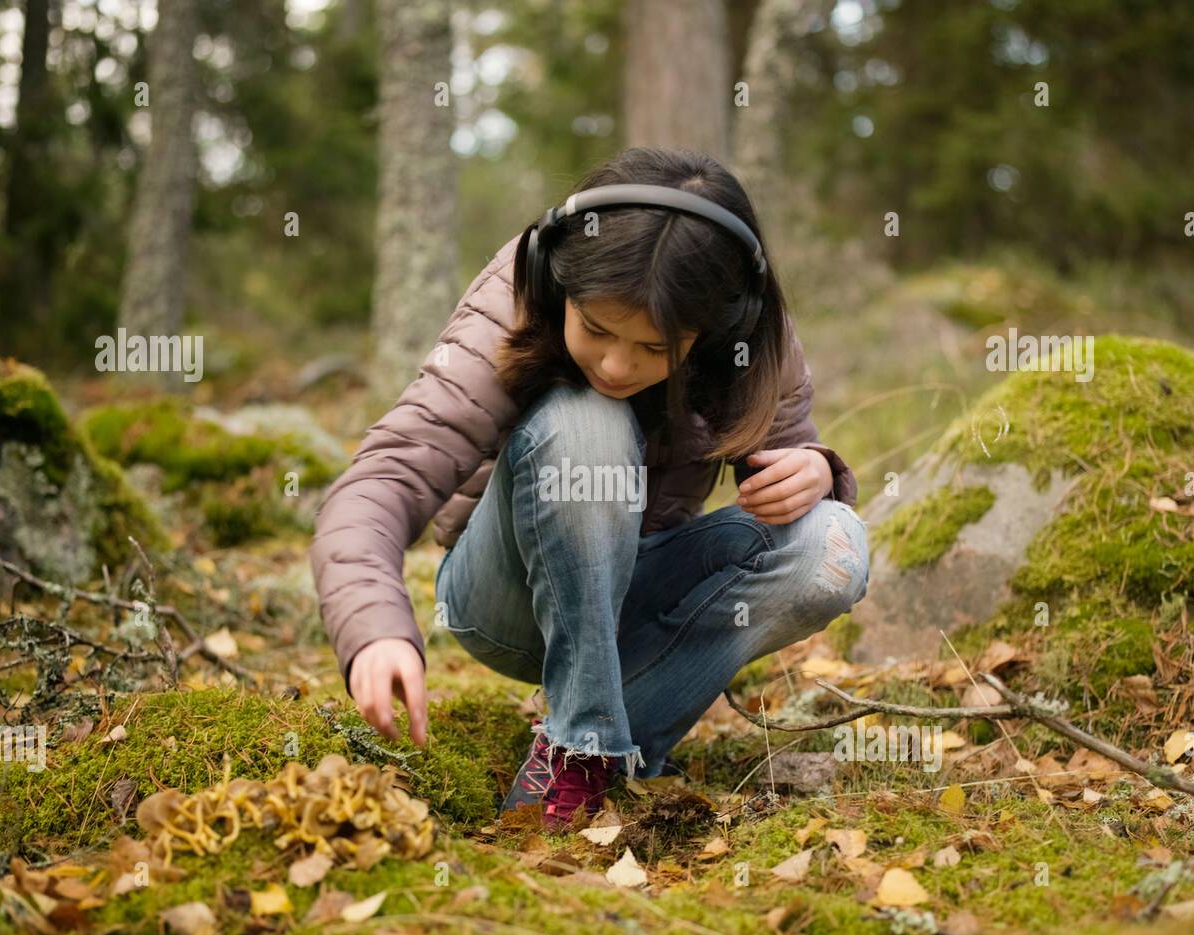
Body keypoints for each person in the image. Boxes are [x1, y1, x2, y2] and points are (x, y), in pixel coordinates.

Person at [310, 146, 869, 832]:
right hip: (507, 600)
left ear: (715, 327)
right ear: (558, 283)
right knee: (586, 419)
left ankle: (591, 757)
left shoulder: (749, 337)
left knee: (833, 545)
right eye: (597, 330)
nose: (615, 363)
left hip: (633, 584)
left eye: (654, 350)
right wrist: (373, 632)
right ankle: (583, 740)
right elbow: (383, 478)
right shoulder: (515, 300)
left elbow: (792, 469)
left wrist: (814, 471)